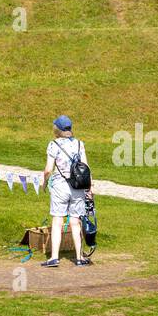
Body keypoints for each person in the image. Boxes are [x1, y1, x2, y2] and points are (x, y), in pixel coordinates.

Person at [40, 115, 90, 268]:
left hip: (60, 186)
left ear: (57, 129)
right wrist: (90, 187)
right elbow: (86, 167)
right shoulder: (79, 144)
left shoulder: (53, 144)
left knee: (57, 221)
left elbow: (48, 169)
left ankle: (54, 257)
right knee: (76, 222)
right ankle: (79, 257)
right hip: (78, 187)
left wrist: (45, 181)